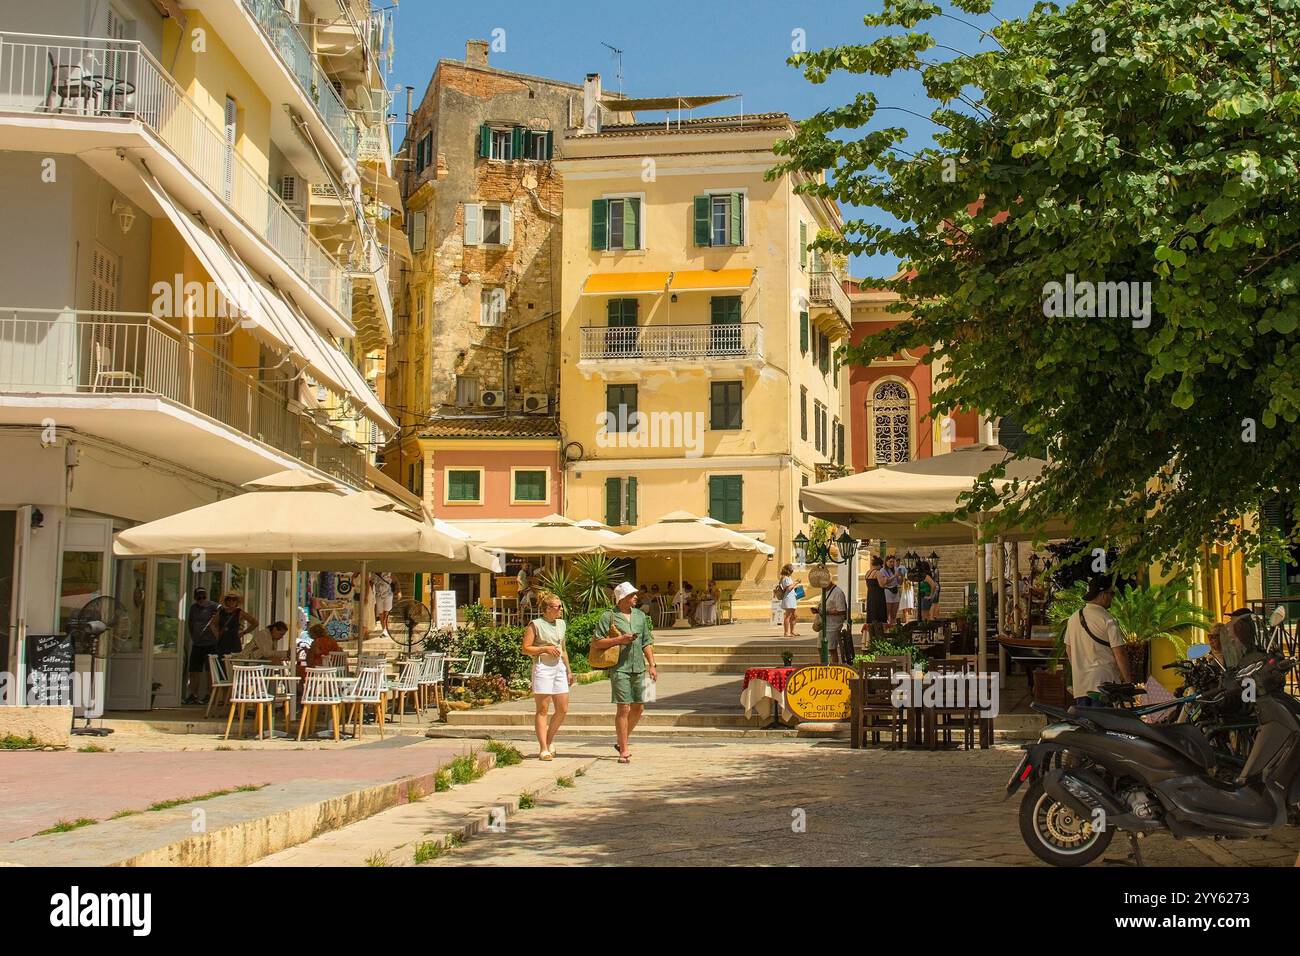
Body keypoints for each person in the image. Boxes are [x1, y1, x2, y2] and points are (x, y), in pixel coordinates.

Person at [591, 582, 657, 763]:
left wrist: (652, 664)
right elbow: (597, 642)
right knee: (624, 707)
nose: (636, 597)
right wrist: (620, 639)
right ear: (622, 598)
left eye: (635, 594)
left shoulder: (641, 616)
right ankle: (624, 750)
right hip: (619, 668)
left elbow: (646, 641)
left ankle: (621, 740)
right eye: (632, 595)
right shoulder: (609, 616)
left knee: (640, 706)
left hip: (640, 667)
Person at [521, 590, 574, 760]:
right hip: (543, 666)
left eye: (561, 607)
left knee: (562, 708)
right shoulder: (535, 624)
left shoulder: (561, 624)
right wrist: (544, 648)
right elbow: (526, 648)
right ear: (547, 608)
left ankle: (549, 739)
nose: (561, 610)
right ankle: (543, 747)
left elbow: (563, 648)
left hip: (558, 666)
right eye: (558, 607)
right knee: (543, 708)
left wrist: (569, 669)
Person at [1063, 576, 1131, 706]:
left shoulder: (1073, 618)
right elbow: (1119, 653)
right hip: (1104, 684)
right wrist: (1128, 682)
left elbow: (1068, 649)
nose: (1113, 598)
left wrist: (1080, 668)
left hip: (1081, 684)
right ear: (1102, 595)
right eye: (1111, 594)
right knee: (1104, 723)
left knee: (1086, 724)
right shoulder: (1107, 619)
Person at [184, 587, 220, 705]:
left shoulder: (213, 606)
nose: (201, 599)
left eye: (203, 597)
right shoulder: (193, 608)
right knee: (194, 670)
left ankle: (210, 694)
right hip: (197, 644)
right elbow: (190, 623)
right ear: (195, 598)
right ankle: (192, 694)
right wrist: (193, 636)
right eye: (199, 597)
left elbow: (223, 611)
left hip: (211, 643)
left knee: (210, 671)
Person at [211, 592, 257, 664]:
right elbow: (212, 624)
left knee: (235, 663)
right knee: (222, 663)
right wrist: (216, 634)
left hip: (234, 640)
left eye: (234, 600)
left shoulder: (239, 612)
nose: (231, 602)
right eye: (229, 600)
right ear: (226, 601)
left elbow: (255, 623)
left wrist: (243, 633)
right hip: (222, 641)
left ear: (237, 602)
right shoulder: (221, 612)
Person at [822, 579, 851, 663]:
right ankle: (823, 666)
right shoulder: (825, 591)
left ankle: (834, 667)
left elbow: (842, 610)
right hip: (825, 625)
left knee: (831, 649)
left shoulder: (838, 592)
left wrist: (827, 612)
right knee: (820, 648)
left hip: (833, 625)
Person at [862, 555, 888, 640]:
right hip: (878, 596)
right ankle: (879, 637)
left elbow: (868, 585)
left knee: (872, 616)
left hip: (870, 596)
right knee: (879, 616)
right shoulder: (877, 573)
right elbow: (881, 584)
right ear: (879, 565)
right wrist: (886, 580)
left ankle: (871, 637)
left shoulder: (867, 573)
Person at [370, 571, 396, 638]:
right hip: (379, 595)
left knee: (386, 612)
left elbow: (395, 580)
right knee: (381, 614)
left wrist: (398, 591)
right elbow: (371, 583)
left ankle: (385, 630)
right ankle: (383, 629)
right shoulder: (373, 574)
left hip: (388, 594)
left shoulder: (388, 572)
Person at [776, 564, 800, 637]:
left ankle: (792, 631)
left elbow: (790, 587)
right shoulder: (785, 578)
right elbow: (789, 588)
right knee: (788, 615)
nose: (792, 571)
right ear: (788, 570)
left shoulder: (788, 578)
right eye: (791, 570)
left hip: (791, 598)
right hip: (788, 599)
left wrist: (794, 584)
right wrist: (796, 582)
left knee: (794, 615)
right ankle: (786, 632)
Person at [882, 554, 903, 625]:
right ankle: (886, 628)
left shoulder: (895, 569)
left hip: (895, 591)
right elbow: (886, 581)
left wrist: (901, 576)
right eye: (890, 562)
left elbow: (900, 583)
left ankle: (893, 627)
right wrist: (894, 576)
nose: (892, 564)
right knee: (887, 613)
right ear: (886, 562)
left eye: (893, 562)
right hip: (888, 591)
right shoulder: (883, 570)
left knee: (894, 614)